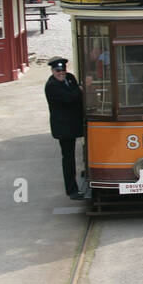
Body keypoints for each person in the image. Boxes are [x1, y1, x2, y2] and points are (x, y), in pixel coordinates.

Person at [45, 56, 86, 200]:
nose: (61, 73)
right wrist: (80, 89)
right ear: (52, 71)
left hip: (75, 123)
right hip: (64, 128)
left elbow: (77, 95)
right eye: (58, 71)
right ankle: (72, 190)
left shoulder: (69, 77)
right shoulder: (51, 86)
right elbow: (69, 98)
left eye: (63, 70)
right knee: (68, 159)